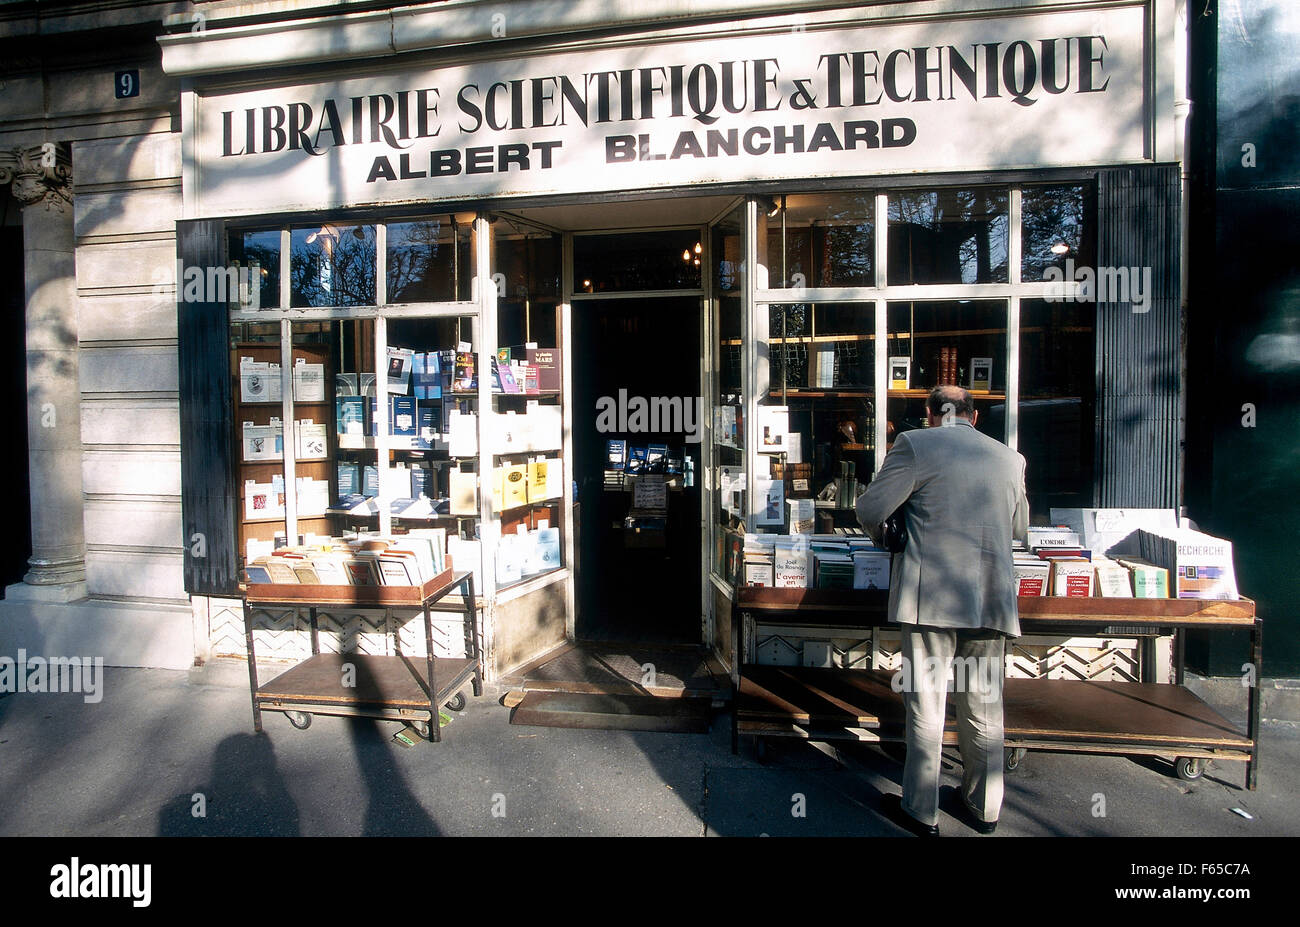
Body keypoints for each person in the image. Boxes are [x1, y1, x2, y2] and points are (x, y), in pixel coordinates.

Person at [856, 385, 1029, 836]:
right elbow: (1021, 527)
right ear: (973, 417)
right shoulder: (1010, 458)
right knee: (984, 707)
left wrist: (886, 537)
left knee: (927, 706)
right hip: (990, 600)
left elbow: (871, 508)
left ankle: (921, 810)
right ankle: (984, 808)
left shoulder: (915, 443)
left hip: (930, 599)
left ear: (931, 413)